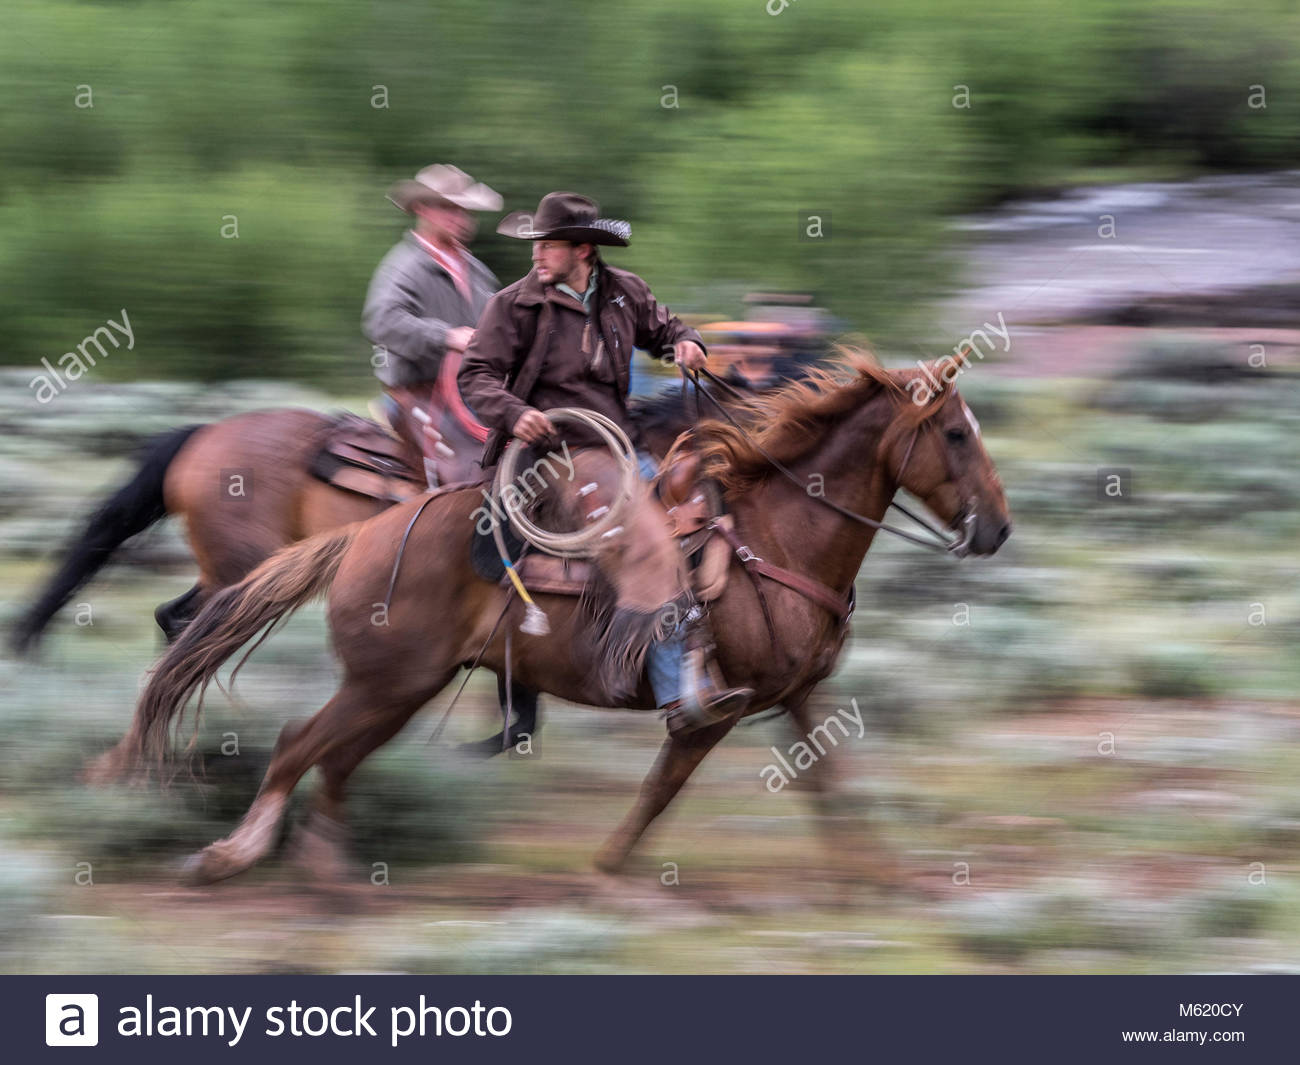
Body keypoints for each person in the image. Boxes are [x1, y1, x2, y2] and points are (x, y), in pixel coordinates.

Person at [459, 191, 753, 734]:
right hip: (556, 456)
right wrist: (516, 412)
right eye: (537, 245)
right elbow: (475, 375)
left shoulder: (625, 294)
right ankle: (677, 693)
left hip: (620, 446)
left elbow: (667, 329)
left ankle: (708, 649)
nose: (537, 255)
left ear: (583, 251)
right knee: (646, 540)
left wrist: (687, 344)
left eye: (548, 245)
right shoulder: (514, 306)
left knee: (699, 511)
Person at [362, 164, 502, 488]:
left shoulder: (478, 271)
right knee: (469, 479)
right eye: (448, 208)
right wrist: (447, 336)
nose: (460, 218)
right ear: (422, 209)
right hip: (420, 395)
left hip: (473, 394)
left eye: (465, 210)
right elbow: (382, 321)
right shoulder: (404, 265)